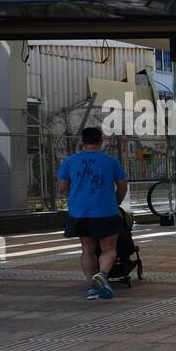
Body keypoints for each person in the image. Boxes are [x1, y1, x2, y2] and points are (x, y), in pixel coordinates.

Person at [57, 127, 129, 300]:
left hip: (79, 212)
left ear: (82, 141)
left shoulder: (70, 161)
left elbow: (61, 188)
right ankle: (102, 275)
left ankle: (92, 287)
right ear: (101, 140)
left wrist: (76, 198)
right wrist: (116, 202)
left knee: (87, 249)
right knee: (109, 249)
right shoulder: (111, 162)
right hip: (106, 210)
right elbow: (122, 186)